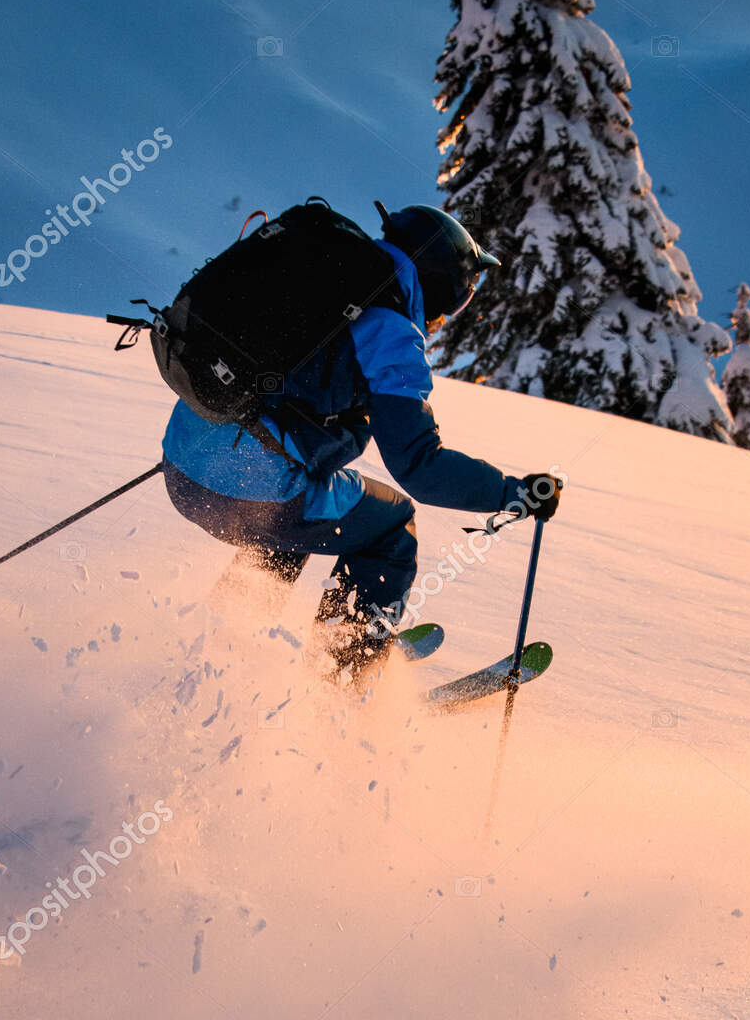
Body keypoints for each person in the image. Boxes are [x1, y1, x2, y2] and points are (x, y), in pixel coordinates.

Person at [161, 200, 561, 675]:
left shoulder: (315, 280)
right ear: (440, 282)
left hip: (182, 471)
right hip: (250, 491)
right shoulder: (390, 327)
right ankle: (341, 675)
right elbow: (420, 467)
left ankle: (223, 645)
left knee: (302, 516)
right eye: (464, 292)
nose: (453, 312)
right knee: (390, 526)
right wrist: (514, 493)